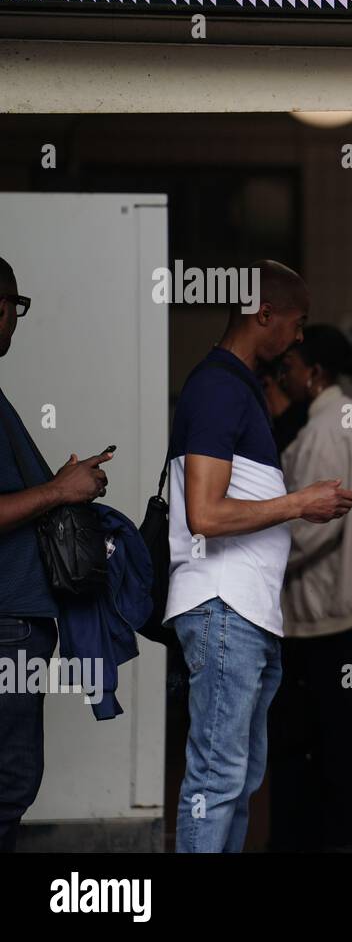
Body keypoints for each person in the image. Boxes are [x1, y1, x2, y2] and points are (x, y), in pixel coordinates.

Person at [165, 261, 352, 853]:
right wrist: (302, 502)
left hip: (246, 612)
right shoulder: (219, 386)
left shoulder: (238, 386)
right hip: (223, 605)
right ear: (265, 314)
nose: (300, 337)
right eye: (298, 323)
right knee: (218, 776)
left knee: (240, 777)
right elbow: (205, 514)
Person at [0, 256, 113, 852]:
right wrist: (58, 492)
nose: (15, 324)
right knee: (10, 783)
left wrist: (59, 482)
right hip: (5, 629)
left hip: (16, 626)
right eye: (15, 309)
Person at [269, 325, 352, 851]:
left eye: (289, 366)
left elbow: (315, 522)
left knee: (327, 737)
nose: (282, 375)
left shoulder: (324, 431)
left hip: (327, 609)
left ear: (315, 373)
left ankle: (333, 838)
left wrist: (263, 555)